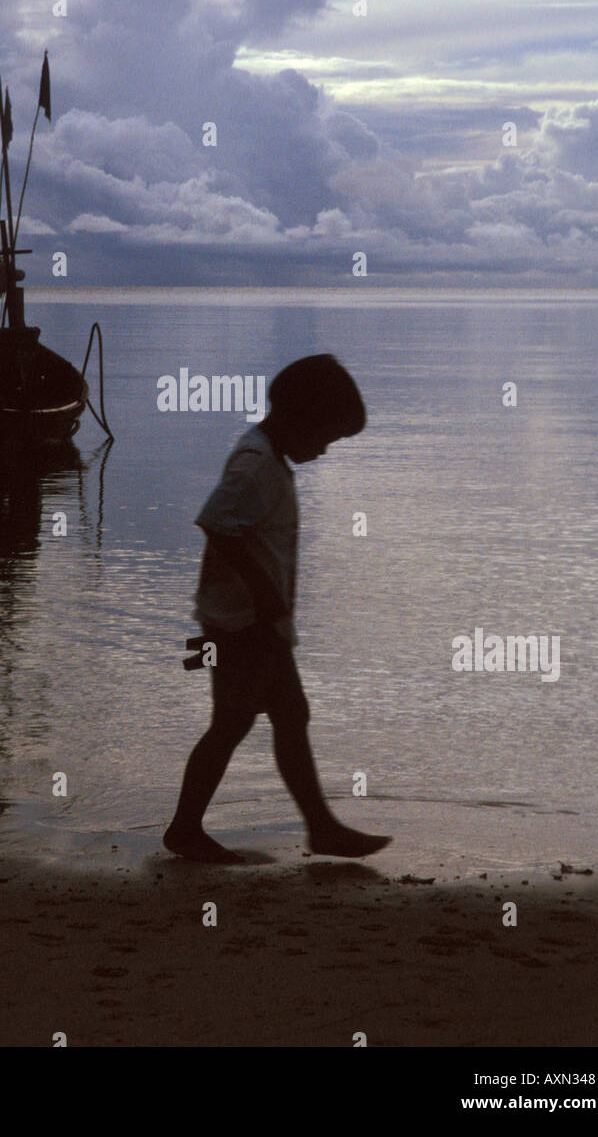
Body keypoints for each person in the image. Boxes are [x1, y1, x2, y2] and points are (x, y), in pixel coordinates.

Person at [164, 353, 392, 864]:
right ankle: (190, 829)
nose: (324, 450)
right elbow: (216, 522)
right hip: (242, 625)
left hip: (250, 622)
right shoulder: (256, 465)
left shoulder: (268, 458)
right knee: (239, 723)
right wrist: (264, 594)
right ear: (295, 419)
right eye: (324, 438)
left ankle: (319, 827)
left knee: (283, 715)